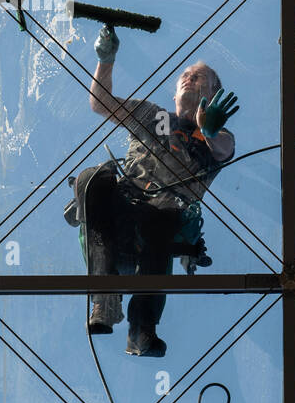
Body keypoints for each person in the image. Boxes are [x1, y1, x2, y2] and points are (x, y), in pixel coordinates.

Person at [75, 24, 239, 357]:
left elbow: (223, 150)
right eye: (186, 75)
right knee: (91, 178)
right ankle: (105, 299)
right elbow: (101, 104)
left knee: (161, 219)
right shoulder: (153, 116)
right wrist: (106, 60)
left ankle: (142, 329)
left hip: (163, 222)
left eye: (200, 77)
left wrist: (208, 129)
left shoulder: (216, 137)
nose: (189, 78)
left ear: (212, 93)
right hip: (124, 211)